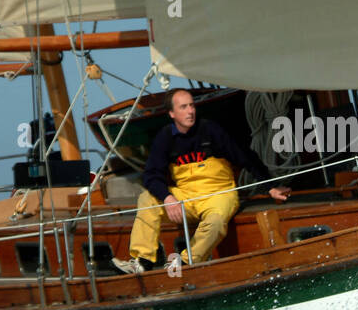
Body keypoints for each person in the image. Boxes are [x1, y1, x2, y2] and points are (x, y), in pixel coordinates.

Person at [113, 89, 290, 273]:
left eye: (192, 105)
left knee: (215, 221)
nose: (190, 111)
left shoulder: (210, 129)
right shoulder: (165, 137)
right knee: (147, 199)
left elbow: (245, 157)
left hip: (218, 194)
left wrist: (270, 187)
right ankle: (142, 261)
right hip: (186, 196)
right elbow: (151, 175)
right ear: (172, 113)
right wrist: (167, 198)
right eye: (184, 107)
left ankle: (185, 263)